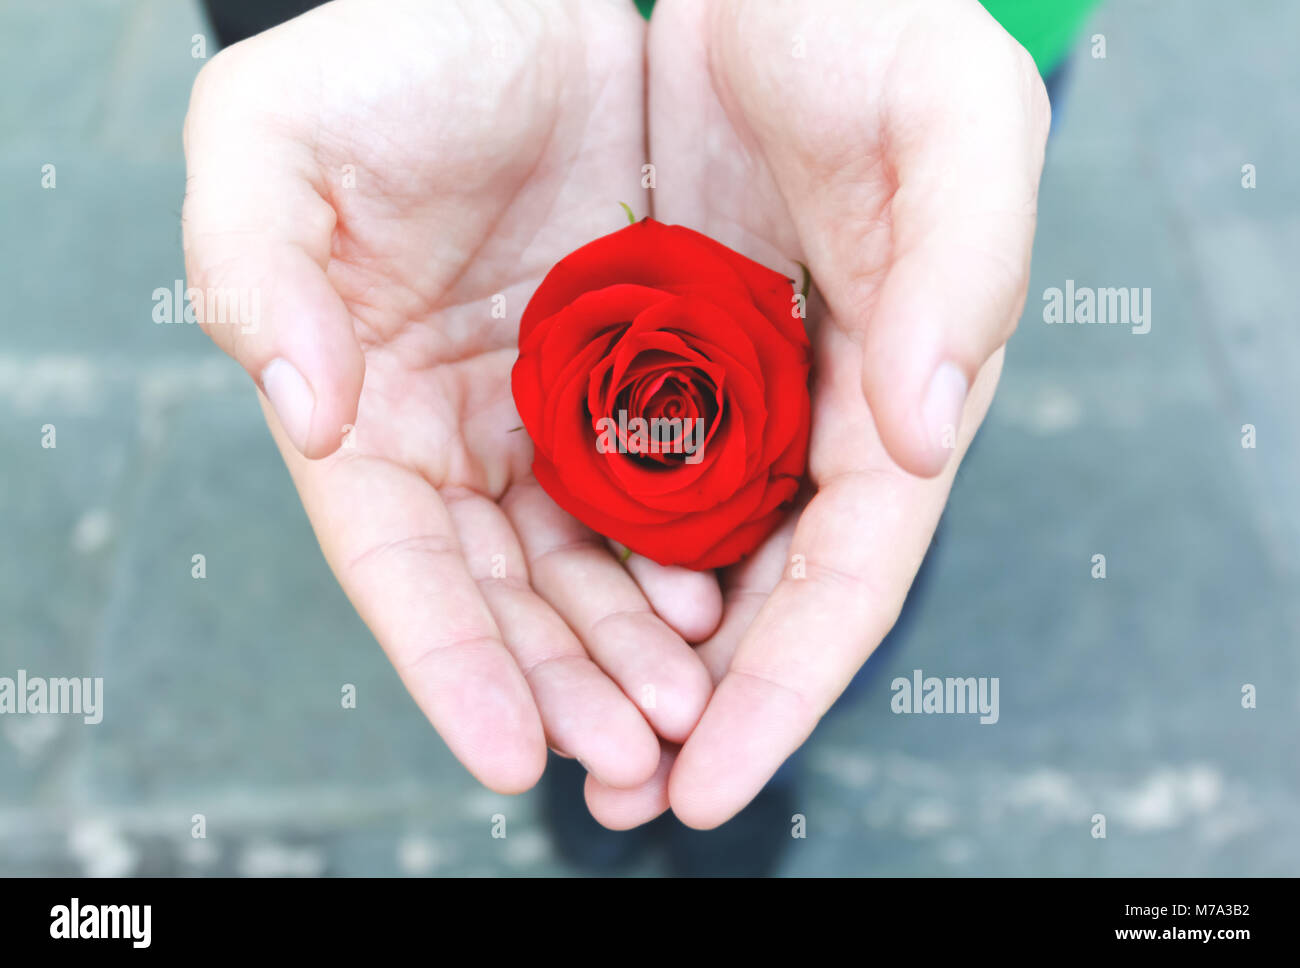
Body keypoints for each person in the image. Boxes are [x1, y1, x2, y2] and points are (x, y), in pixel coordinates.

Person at [184, 0, 1084, 873]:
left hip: (910, 42)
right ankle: (588, 756)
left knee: (878, 447)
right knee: (551, 618)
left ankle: (761, 750)